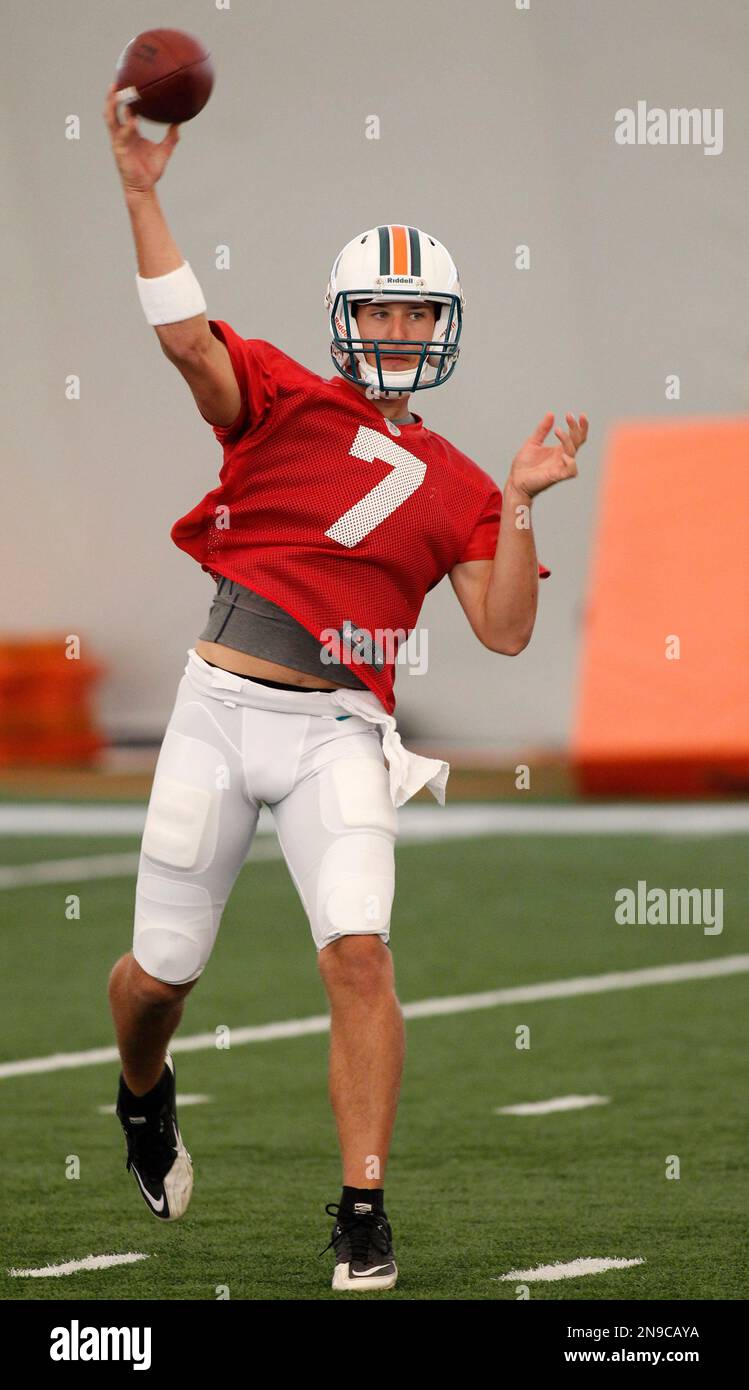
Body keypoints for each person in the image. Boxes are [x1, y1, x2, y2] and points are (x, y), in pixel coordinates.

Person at [103, 84, 588, 1293]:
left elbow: (508, 630)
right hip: (217, 705)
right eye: (376, 305)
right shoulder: (278, 398)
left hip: (340, 731)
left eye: (413, 310)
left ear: (444, 327)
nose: (392, 326)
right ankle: (141, 1092)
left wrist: (522, 502)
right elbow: (184, 341)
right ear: (340, 317)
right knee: (159, 975)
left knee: (359, 953)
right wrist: (140, 192)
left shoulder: (467, 482)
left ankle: (362, 1206)